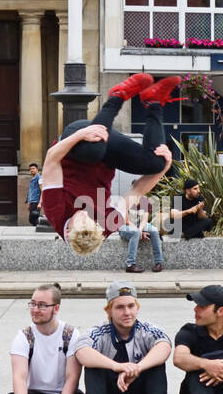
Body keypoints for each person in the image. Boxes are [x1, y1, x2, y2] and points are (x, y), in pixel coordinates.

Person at [41, 73, 178, 256]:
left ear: (67, 231)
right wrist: (165, 167)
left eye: (79, 218)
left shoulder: (55, 210)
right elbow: (136, 191)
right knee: (156, 163)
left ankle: (117, 95)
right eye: (90, 219)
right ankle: (153, 102)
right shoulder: (106, 225)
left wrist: (81, 135)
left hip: (75, 143)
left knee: (92, 151)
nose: (85, 213)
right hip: (107, 156)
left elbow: (52, 157)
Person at [72, 281, 172, 394]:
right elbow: (82, 352)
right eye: (119, 307)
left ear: (137, 307)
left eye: (131, 306)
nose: (127, 312)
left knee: (155, 361)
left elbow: (164, 346)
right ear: (109, 310)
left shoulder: (146, 330)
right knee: (94, 363)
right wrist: (118, 366)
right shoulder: (99, 332)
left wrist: (137, 368)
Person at [0, 284, 89, 394]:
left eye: (42, 305)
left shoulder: (70, 334)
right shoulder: (24, 336)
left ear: (56, 308)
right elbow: (19, 377)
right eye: (33, 304)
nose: (35, 309)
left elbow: (72, 377)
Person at [117, 194, 164, 273]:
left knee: (154, 231)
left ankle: (158, 262)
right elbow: (126, 221)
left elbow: (144, 220)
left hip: (140, 225)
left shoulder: (145, 201)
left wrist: (140, 230)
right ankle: (130, 264)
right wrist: (139, 232)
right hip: (125, 226)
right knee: (136, 232)